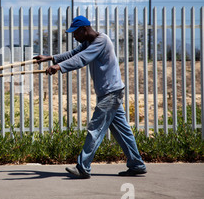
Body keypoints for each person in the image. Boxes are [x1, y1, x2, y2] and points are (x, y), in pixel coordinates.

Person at [34, 15, 146, 179]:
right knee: (122, 131)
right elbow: (74, 53)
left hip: (110, 93)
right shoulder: (89, 42)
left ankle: (83, 167)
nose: (74, 36)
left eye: (75, 33)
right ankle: (137, 164)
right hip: (110, 92)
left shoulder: (101, 41)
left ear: (84, 30)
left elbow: (81, 59)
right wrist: (51, 58)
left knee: (95, 129)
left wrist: (58, 67)